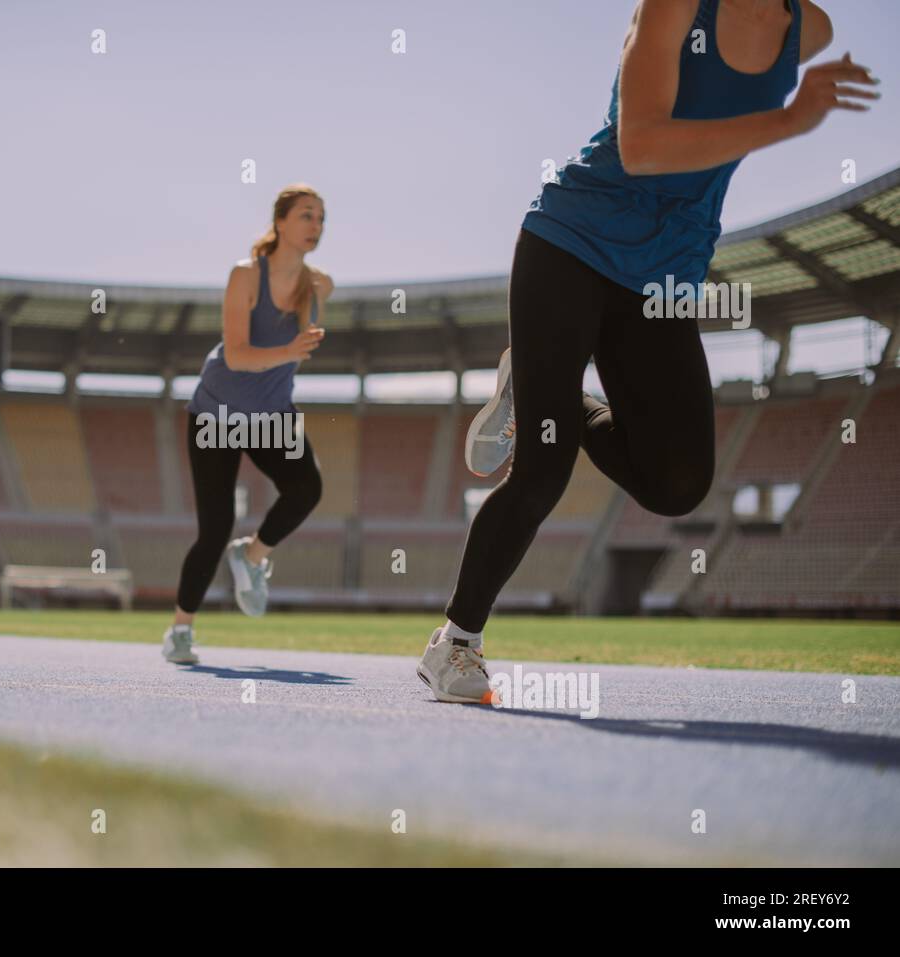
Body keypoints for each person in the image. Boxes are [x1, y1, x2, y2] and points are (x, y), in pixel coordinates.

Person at [419, 0, 879, 702]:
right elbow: (642, 145)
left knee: (677, 481)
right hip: (572, 243)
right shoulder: (675, 6)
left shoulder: (807, 30)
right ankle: (455, 642)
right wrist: (791, 119)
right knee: (542, 470)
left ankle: (543, 387)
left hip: (663, 276)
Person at [162, 184, 335, 664]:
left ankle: (253, 556)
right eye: (306, 216)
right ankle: (180, 630)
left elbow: (306, 323)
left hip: (270, 414)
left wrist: (300, 328)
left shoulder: (319, 285)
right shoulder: (245, 276)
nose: (316, 226)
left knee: (307, 488)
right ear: (280, 221)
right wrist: (287, 351)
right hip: (217, 411)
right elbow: (237, 355)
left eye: (321, 219)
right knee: (214, 528)